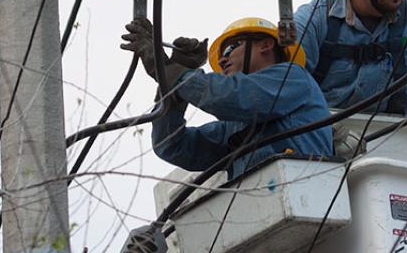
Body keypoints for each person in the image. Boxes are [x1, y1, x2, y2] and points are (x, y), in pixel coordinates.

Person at [121, 17, 334, 179]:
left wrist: (173, 71)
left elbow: (230, 96)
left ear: (266, 45)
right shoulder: (234, 127)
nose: (222, 60)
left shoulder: (293, 79)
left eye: (231, 48)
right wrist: (171, 89)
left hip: (305, 195)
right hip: (262, 213)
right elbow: (171, 146)